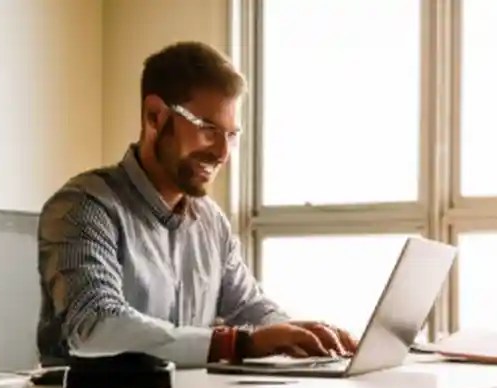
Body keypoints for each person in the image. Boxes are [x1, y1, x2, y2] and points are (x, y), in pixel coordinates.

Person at [36, 41, 355, 368]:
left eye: (231, 135)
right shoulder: (84, 208)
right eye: (208, 129)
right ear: (155, 116)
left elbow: (249, 307)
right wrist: (238, 343)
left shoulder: (210, 221)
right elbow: (95, 326)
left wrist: (303, 335)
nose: (222, 153)